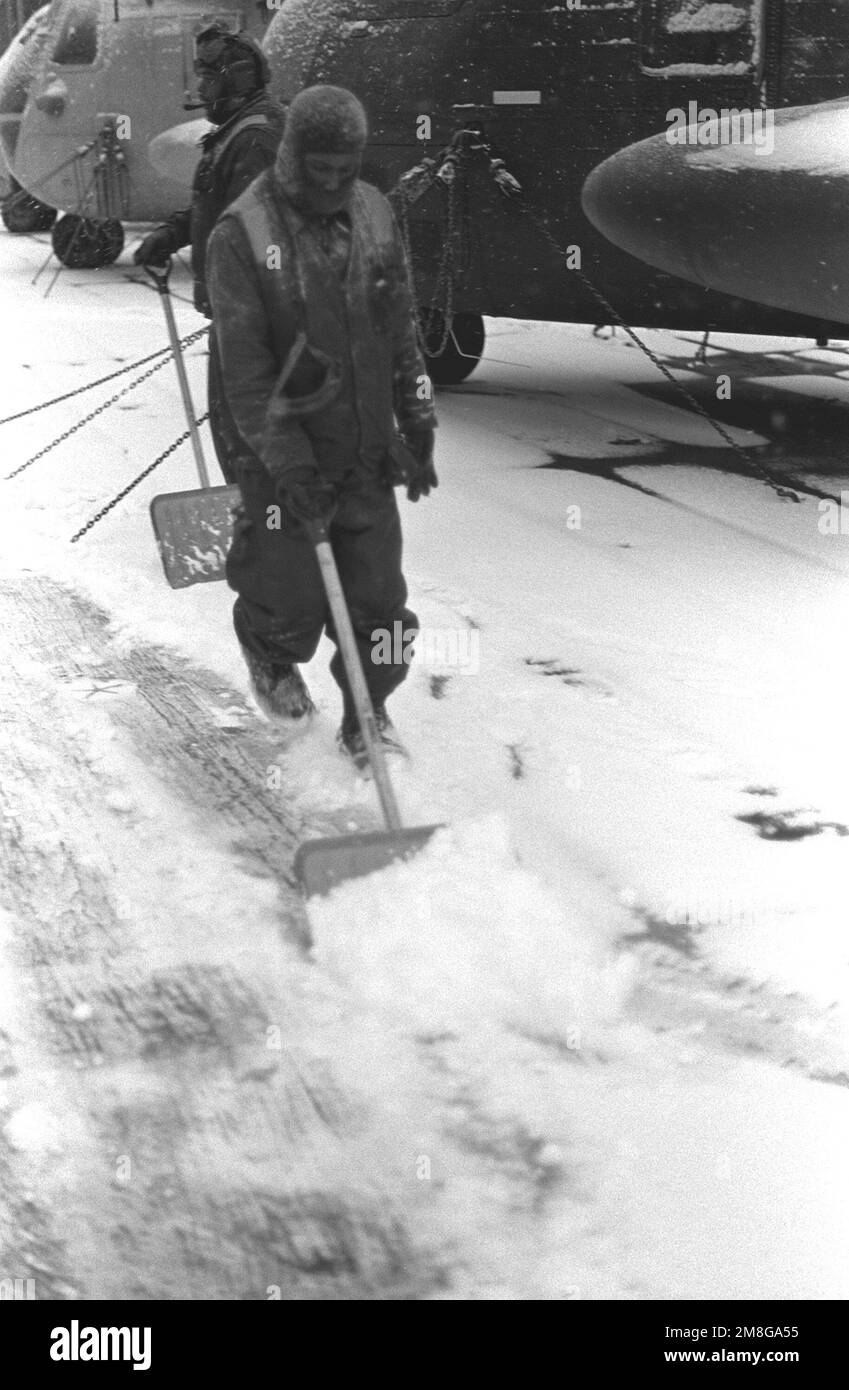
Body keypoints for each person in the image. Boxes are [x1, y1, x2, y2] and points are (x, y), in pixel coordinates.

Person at [205, 84, 438, 765]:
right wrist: (293, 468)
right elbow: (246, 379)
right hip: (276, 450)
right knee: (290, 591)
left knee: (381, 609)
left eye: (347, 167)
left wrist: (416, 421)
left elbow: (400, 328)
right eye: (319, 169)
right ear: (291, 155)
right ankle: (267, 648)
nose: (335, 183)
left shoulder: (374, 212)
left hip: (364, 447)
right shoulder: (241, 236)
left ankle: (369, 714)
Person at [133, 24, 285, 484]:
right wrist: (174, 232)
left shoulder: (254, 139)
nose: (200, 90)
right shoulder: (240, 132)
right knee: (239, 432)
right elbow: (224, 206)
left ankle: (272, 534)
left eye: (208, 78)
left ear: (234, 80)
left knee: (249, 438)